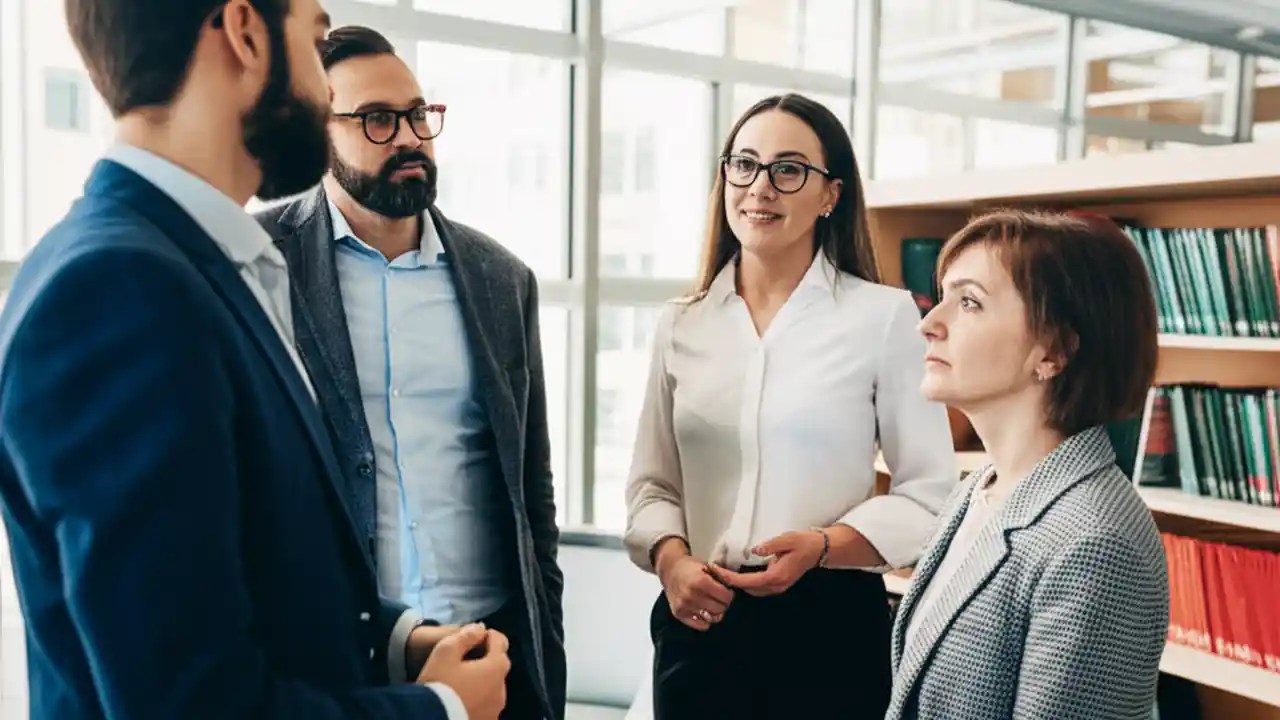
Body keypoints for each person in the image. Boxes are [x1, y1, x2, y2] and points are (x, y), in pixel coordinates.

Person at [0, 2, 510, 718]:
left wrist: (400, 641)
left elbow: (255, 564)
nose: (324, 84)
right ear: (244, 32)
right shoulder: (119, 290)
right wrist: (442, 709)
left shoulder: (197, 262)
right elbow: (190, 703)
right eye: (313, 39)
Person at [255, 25, 564, 720]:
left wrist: (546, 656)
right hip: (344, 655)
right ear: (319, 133)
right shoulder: (260, 263)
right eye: (376, 119)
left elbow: (530, 491)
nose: (411, 138)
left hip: (495, 647)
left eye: (419, 114)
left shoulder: (500, 279)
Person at [624, 93, 957, 720]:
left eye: (788, 169)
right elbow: (651, 485)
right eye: (744, 165)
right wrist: (671, 562)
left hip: (828, 629)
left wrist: (824, 545)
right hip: (698, 625)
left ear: (830, 194)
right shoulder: (682, 324)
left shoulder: (883, 318)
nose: (760, 188)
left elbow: (930, 495)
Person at [887, 210, 1168, 720]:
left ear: (1054, 351)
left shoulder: (1095, 546)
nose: (928, 324)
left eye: (969, 302)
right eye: (943, 296)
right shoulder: (983, 488)